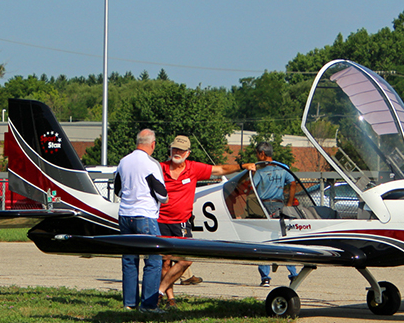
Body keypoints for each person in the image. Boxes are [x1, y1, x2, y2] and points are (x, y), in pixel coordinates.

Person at [157, 135, 255, 305]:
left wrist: (242, 166)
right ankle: (169, 298)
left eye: (181, 150)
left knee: (186, 260)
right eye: (174, 149)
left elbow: (221, 170)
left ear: (188, 153)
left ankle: (159, 290)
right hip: (160, 220)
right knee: (164, 262)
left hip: (181, 222)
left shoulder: (193, 168)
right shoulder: (160, 168)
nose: (177, 152)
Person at [115, 128, 168, 312]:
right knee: (153, 259)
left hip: (124, 214)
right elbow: (162, 194)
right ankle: (148, 304)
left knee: (129, 259)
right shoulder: (151, 163)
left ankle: (129, 303)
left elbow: (117, 190)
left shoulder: (123, 162)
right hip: (144, 215)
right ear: (152, 144)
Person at [253, 141, 299, 287]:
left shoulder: (260, 170)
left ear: (262, 154)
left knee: (263, 240)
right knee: (283, 238)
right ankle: (293, 274)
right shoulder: (282, 167)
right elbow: (292, 183)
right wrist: (289, 203)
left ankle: (265, 277)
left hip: (264, 205)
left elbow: (253, 187)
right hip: (280, 205)